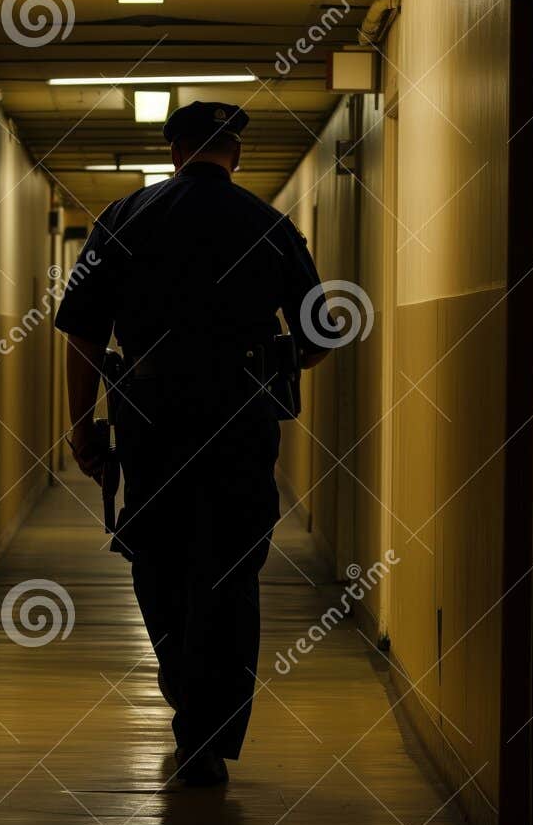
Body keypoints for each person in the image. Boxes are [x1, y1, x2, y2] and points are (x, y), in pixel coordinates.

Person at [54, 100, 336, 787]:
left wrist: (80, 424)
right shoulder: (270, 227)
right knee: (232, 571)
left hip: (150, 421)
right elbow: (320, 335)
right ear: (233, 155)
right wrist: (274, 370)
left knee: (158, 560)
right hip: (240, 424)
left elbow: (85, 333)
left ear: (175, 152)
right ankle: (209, 735)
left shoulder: (122, 220)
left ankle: (185, 685)